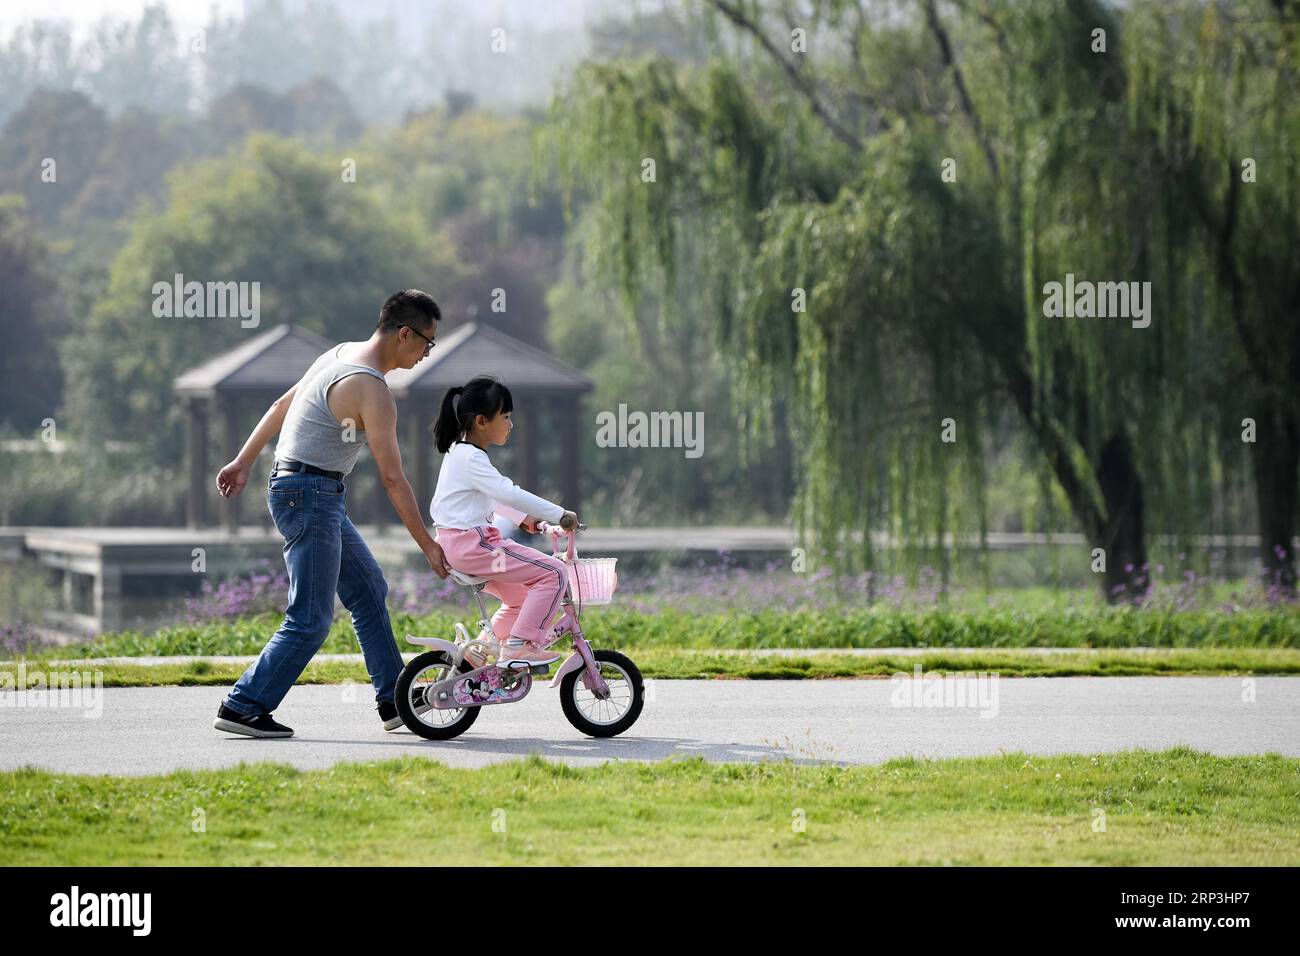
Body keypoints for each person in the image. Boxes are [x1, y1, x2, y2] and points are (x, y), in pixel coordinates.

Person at [211, 290, 452, 739]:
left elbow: (280, 406)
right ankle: (244, 705)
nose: (426, 353)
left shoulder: (338, 353)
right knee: (310, 618)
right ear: (404, 334)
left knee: (367, 588)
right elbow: (393, 480)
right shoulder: (373, 390)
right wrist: (429, 545)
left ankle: (394, 698)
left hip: (302, 488)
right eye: (427, 343)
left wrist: (243, 461)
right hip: (311, 494)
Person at [429, 375, 578, 667]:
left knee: (523, 597)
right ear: (482, 421)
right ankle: (519, 646)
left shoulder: (459, 452)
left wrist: (524, 519)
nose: (511, 424)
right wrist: (559, 514)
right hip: (476, 545)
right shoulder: (472, 458)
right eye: (506, 417)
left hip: (459, 545)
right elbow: (507, 492)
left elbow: (493, 497)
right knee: (555, 573)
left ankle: (483, 649)